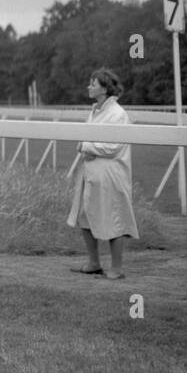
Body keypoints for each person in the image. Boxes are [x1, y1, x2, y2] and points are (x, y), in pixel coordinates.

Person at [66, 68, 139, 279]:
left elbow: (113, 146)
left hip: (110, 174)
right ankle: (94, 262)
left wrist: (86, 146)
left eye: (93, 83)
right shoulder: (95, 111)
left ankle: (116, 268)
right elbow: (89, 139)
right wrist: (85, 144)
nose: (89, 86)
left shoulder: (118, 114)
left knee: (113, 217)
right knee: (85, 215)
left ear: (105, 88)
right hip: (91, 173)